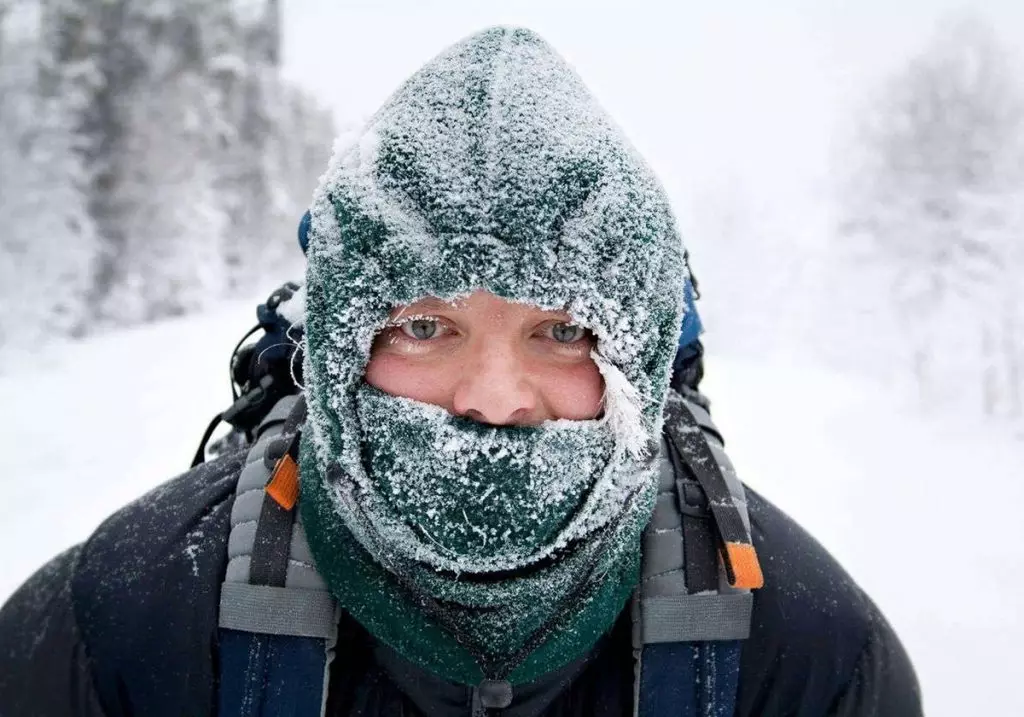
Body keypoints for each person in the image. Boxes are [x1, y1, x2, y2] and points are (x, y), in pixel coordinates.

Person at [0, 26, 922, 717]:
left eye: (563, 333)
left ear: (639, 356)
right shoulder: (118, 629)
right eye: (427, 324)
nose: (491, 397)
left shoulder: (812, 662)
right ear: (334, 349)